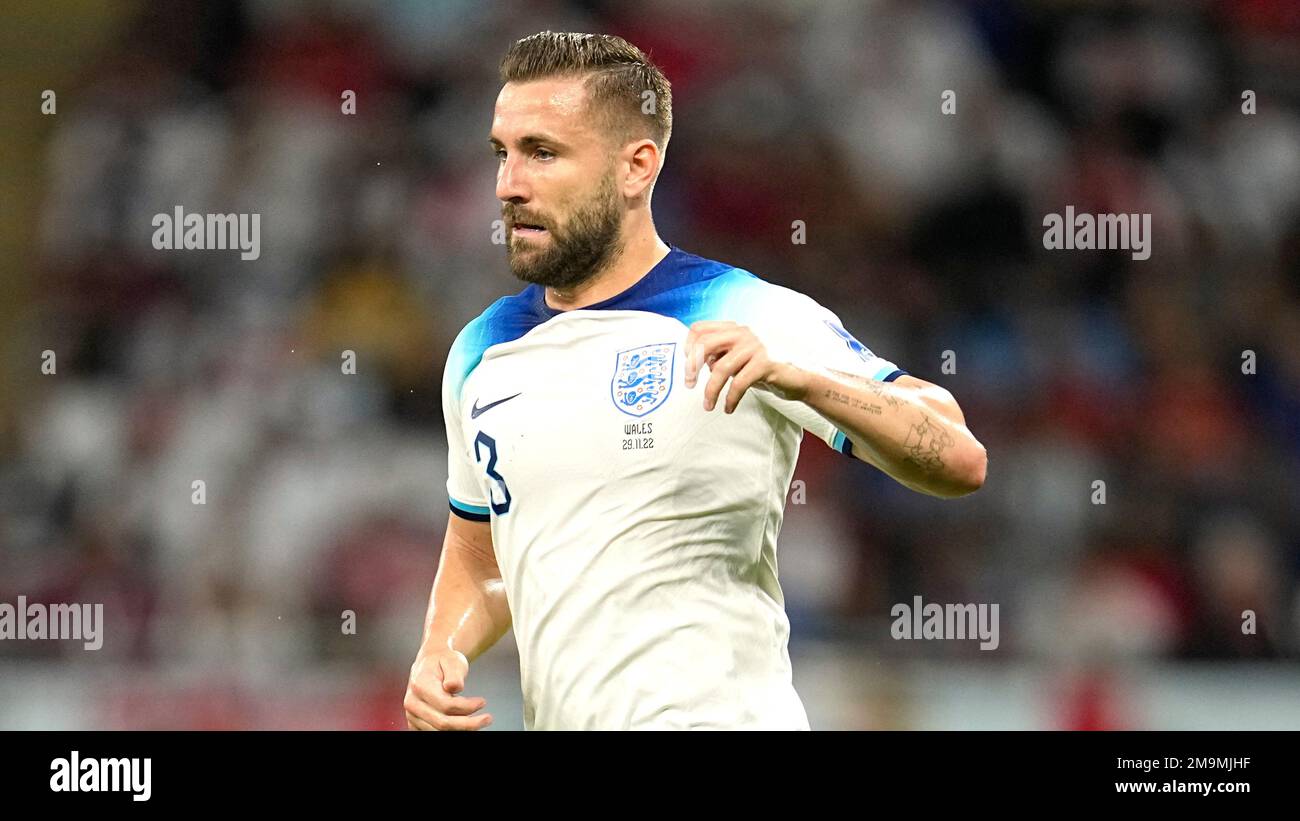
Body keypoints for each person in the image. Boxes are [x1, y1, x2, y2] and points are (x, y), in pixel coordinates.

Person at [403, 31, 987, 731]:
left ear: (636, 167)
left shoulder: (747, 312)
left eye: (542, 153)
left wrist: (800, 381)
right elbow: (480, 554)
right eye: (503, 153)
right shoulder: (481, 352)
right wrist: (441, 650)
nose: (508, 184)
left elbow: (958, 457)